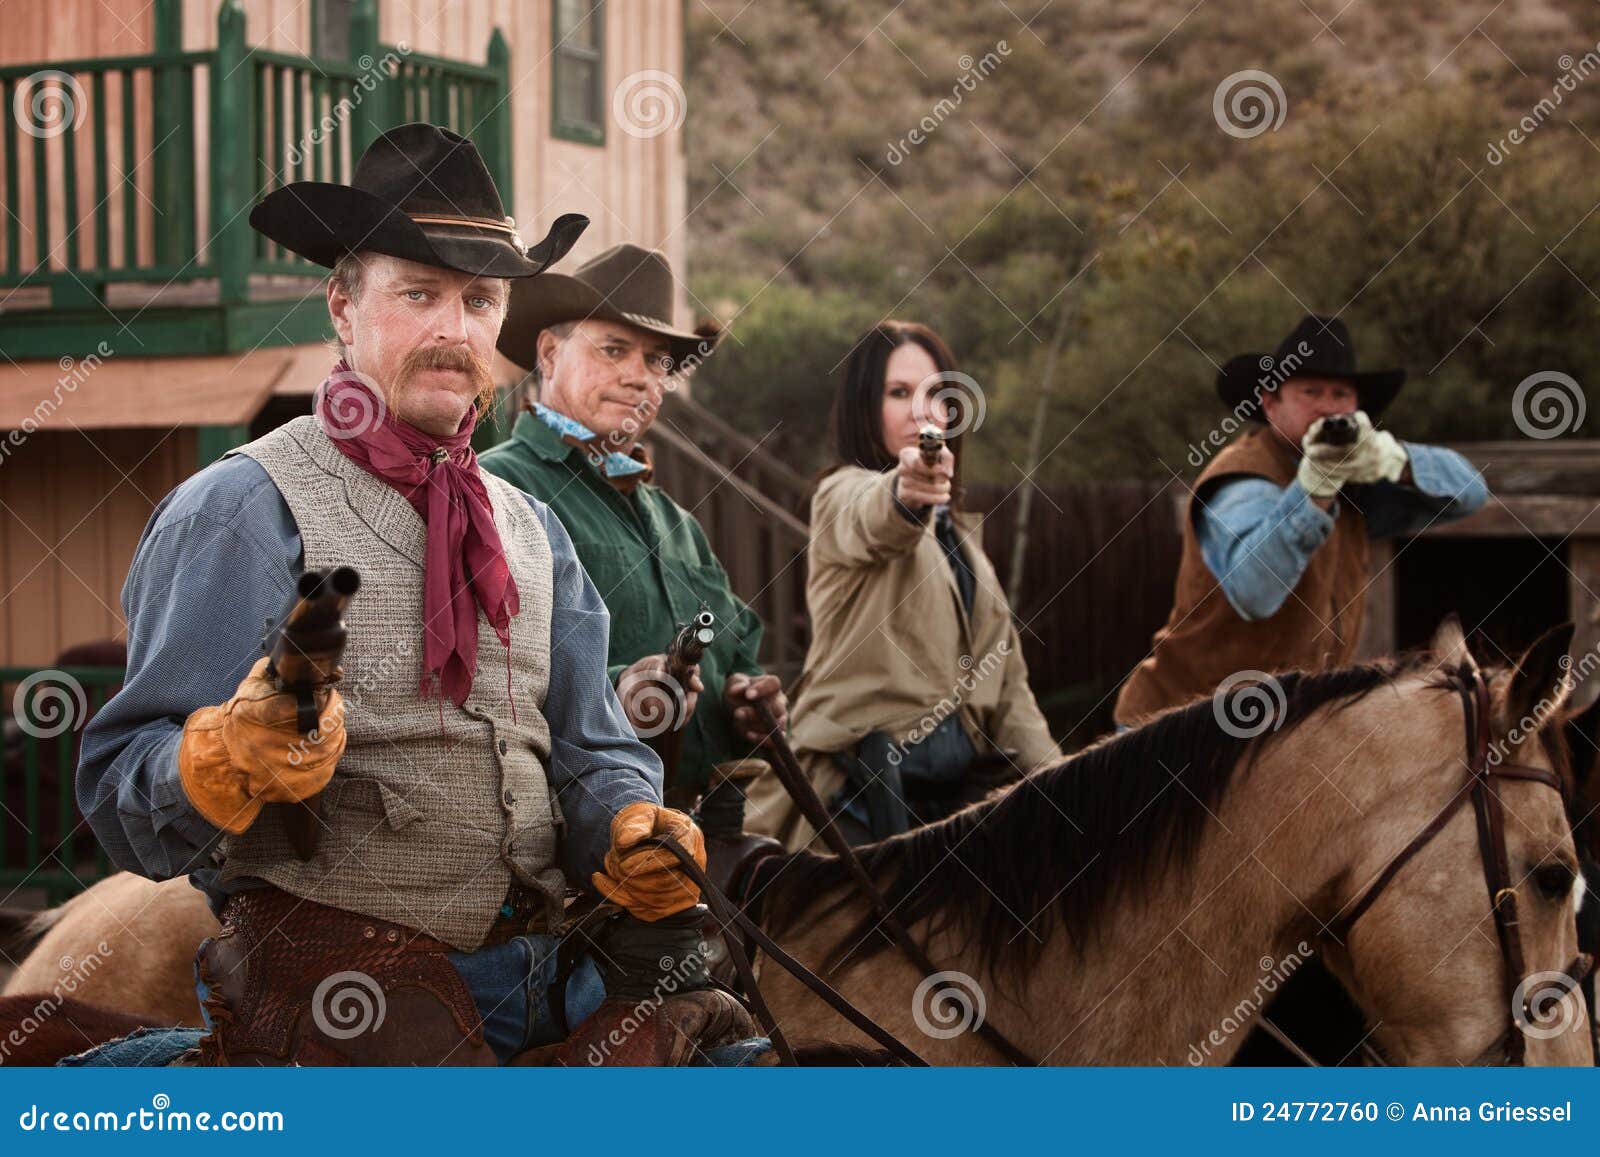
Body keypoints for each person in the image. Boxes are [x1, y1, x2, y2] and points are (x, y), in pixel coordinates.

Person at [70, 124, 762, 1067]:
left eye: (478, 299)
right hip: (340, 976)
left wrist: (629, 824)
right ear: (343, 309)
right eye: (419, 294)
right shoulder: (241, 507)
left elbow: (594, 750)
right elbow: (119, 794)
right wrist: (221, 756)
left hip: (547, 958)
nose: (453, 328)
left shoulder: (532, 528)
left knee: (746, 1062)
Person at [483, 244, 787, 820]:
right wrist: (621, 692)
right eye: (615, 350)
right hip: (572, 844)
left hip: (706, 829)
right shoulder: (499, 488)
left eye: (656, 361)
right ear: (549, 354)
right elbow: (490, 676)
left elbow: (739, 646)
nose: (638, 377)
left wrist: (746, 697)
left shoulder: (677, 522)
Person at [747, 321, 1060, 848]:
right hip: (856, 809)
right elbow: (877, 515)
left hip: (960, 809)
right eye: (898, 393)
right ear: (865, 408)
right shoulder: (840, 494)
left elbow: (1010, 693)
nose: (923, 410)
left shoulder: (963, 542)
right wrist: (905, 492)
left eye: (937, 393)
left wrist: (1064, 789)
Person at [1113, 314, 1489, 728]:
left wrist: (1396, 461)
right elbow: (1256, 592)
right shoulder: (1241, 479)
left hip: (1282, 728)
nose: (1328, 407)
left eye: (1340, 394)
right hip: (1182, 726)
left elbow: (1469, 494)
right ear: (1270, 403)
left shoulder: (1356, 483)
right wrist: (1313, 492)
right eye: (1311, 392)